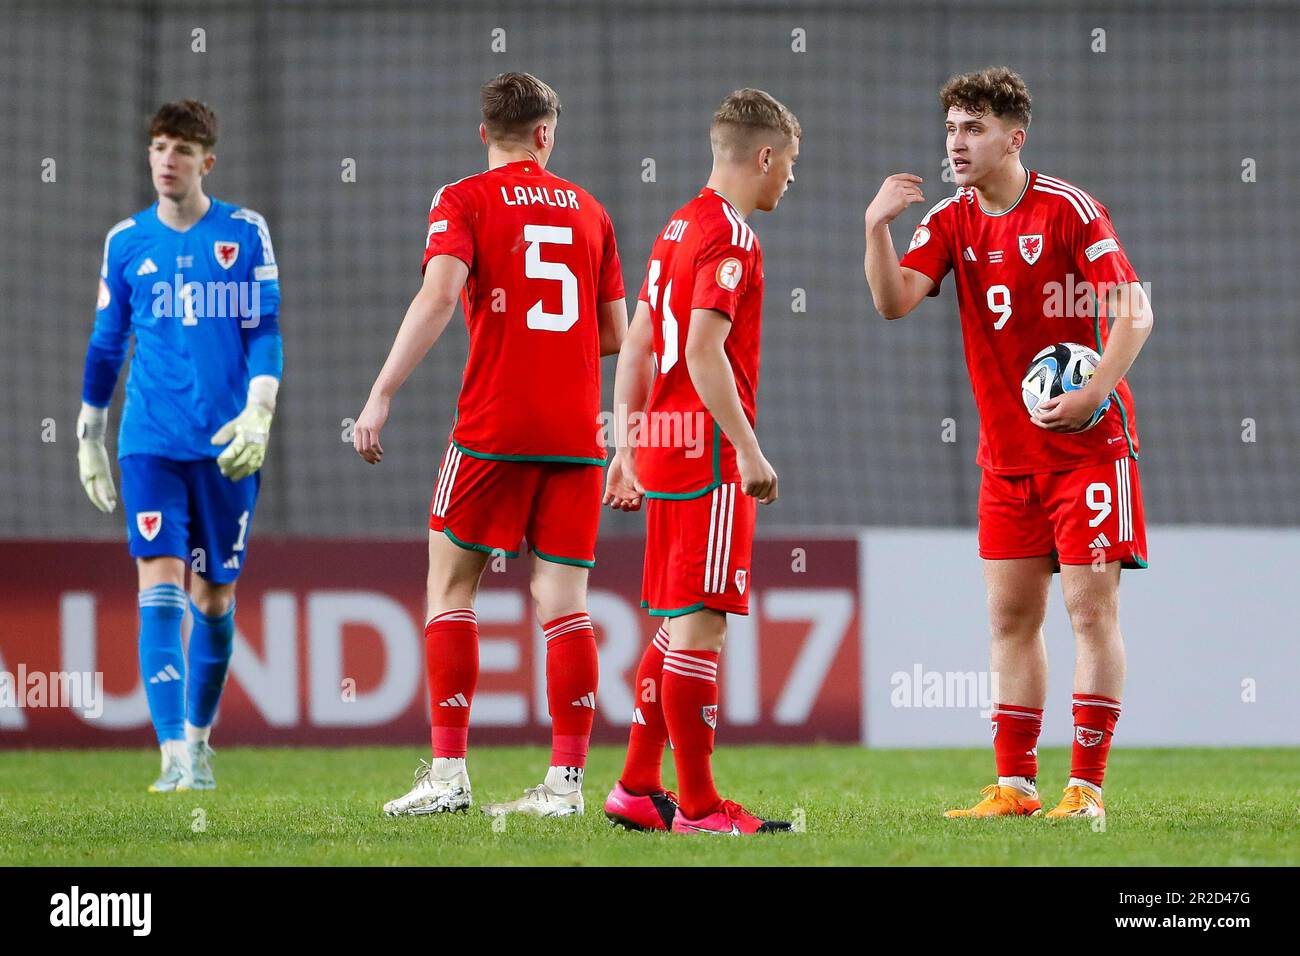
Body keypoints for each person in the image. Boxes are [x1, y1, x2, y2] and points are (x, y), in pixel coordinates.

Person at [863, 67, 1153, 820]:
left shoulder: (1069, 211)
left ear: (1013, 139)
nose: (956, 144)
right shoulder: (953, 219)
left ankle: (1084, 789)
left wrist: (1093, 395)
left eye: (974, 130)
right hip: (1007, 461)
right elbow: (895, 302)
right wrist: (876, 228)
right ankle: (1016, 787)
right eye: (952, 129)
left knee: (1091, 615)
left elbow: (1136, 312)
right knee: (1009, 622)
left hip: (1089, 450)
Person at [353, 72, 627, 818]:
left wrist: (381, 393)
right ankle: (567, 785)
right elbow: (616, 337)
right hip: (575, 434)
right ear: (545, 134)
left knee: (452, 588)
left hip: (494, 428)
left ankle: (449, 777)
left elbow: (440, 294)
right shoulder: (592, 211)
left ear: (485, 134)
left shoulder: (463, 200)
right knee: (563, 600)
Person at [602, 89, 800, 835]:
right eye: (790, 167)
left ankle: (633, 787)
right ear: (765, 156)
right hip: (710, 449)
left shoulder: (675, 227)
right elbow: (702, 349)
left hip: (663, 443)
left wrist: (625, 447)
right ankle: (701, 808)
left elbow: (641, 344)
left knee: (676, 622)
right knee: (703, 627)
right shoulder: (731, 238)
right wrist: (747, 447)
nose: (789, 182)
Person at [77, 99, 283, 792]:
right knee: (159, 586)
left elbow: (264, 331)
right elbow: (107, 346)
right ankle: (173, 758)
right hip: (151, 441)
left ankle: (199, 739)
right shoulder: (125, 241)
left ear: (207, 162)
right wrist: (89, 432)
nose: (167, 160)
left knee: (215, 599)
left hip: (226, 444)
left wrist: (260, 409)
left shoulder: (245, 232)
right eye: (159, 147)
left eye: (182, 150)